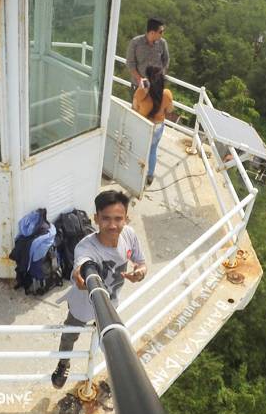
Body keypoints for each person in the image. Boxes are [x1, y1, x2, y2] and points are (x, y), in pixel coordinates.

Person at [51, 190, 146, 389]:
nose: (112, 225)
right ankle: (63, 363)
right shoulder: (85, 247)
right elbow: (82, 266)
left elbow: (140, 261)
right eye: (106, 219)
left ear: (126, 219)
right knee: (70, 335)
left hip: (110, 302)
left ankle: (118, 374)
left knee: (110, 340)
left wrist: (140, 271)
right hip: (83, 304)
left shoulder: (129, 234)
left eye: (118, 219)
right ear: (96, 219)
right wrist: (81, 277)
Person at [132, 65, 174, 186]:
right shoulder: (166, 94)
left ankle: (135, 175)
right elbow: (170, 110)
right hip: (157, 127)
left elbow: (135, 107)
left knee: (138, 149)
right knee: (152, 151)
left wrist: (142, 89)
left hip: (143, 125)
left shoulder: (141, 92)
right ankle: (150, 175)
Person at [125, 17, 169, 95]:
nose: (162, 34)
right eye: (161, 32)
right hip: (138, 86)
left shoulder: (162, 43)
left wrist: (162, 73)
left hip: (156, 86)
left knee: (155, 107)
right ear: (152, 32)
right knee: (137, 107)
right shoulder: (135, 43)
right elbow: (130, 63)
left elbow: (166, 60)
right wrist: (140, 79)